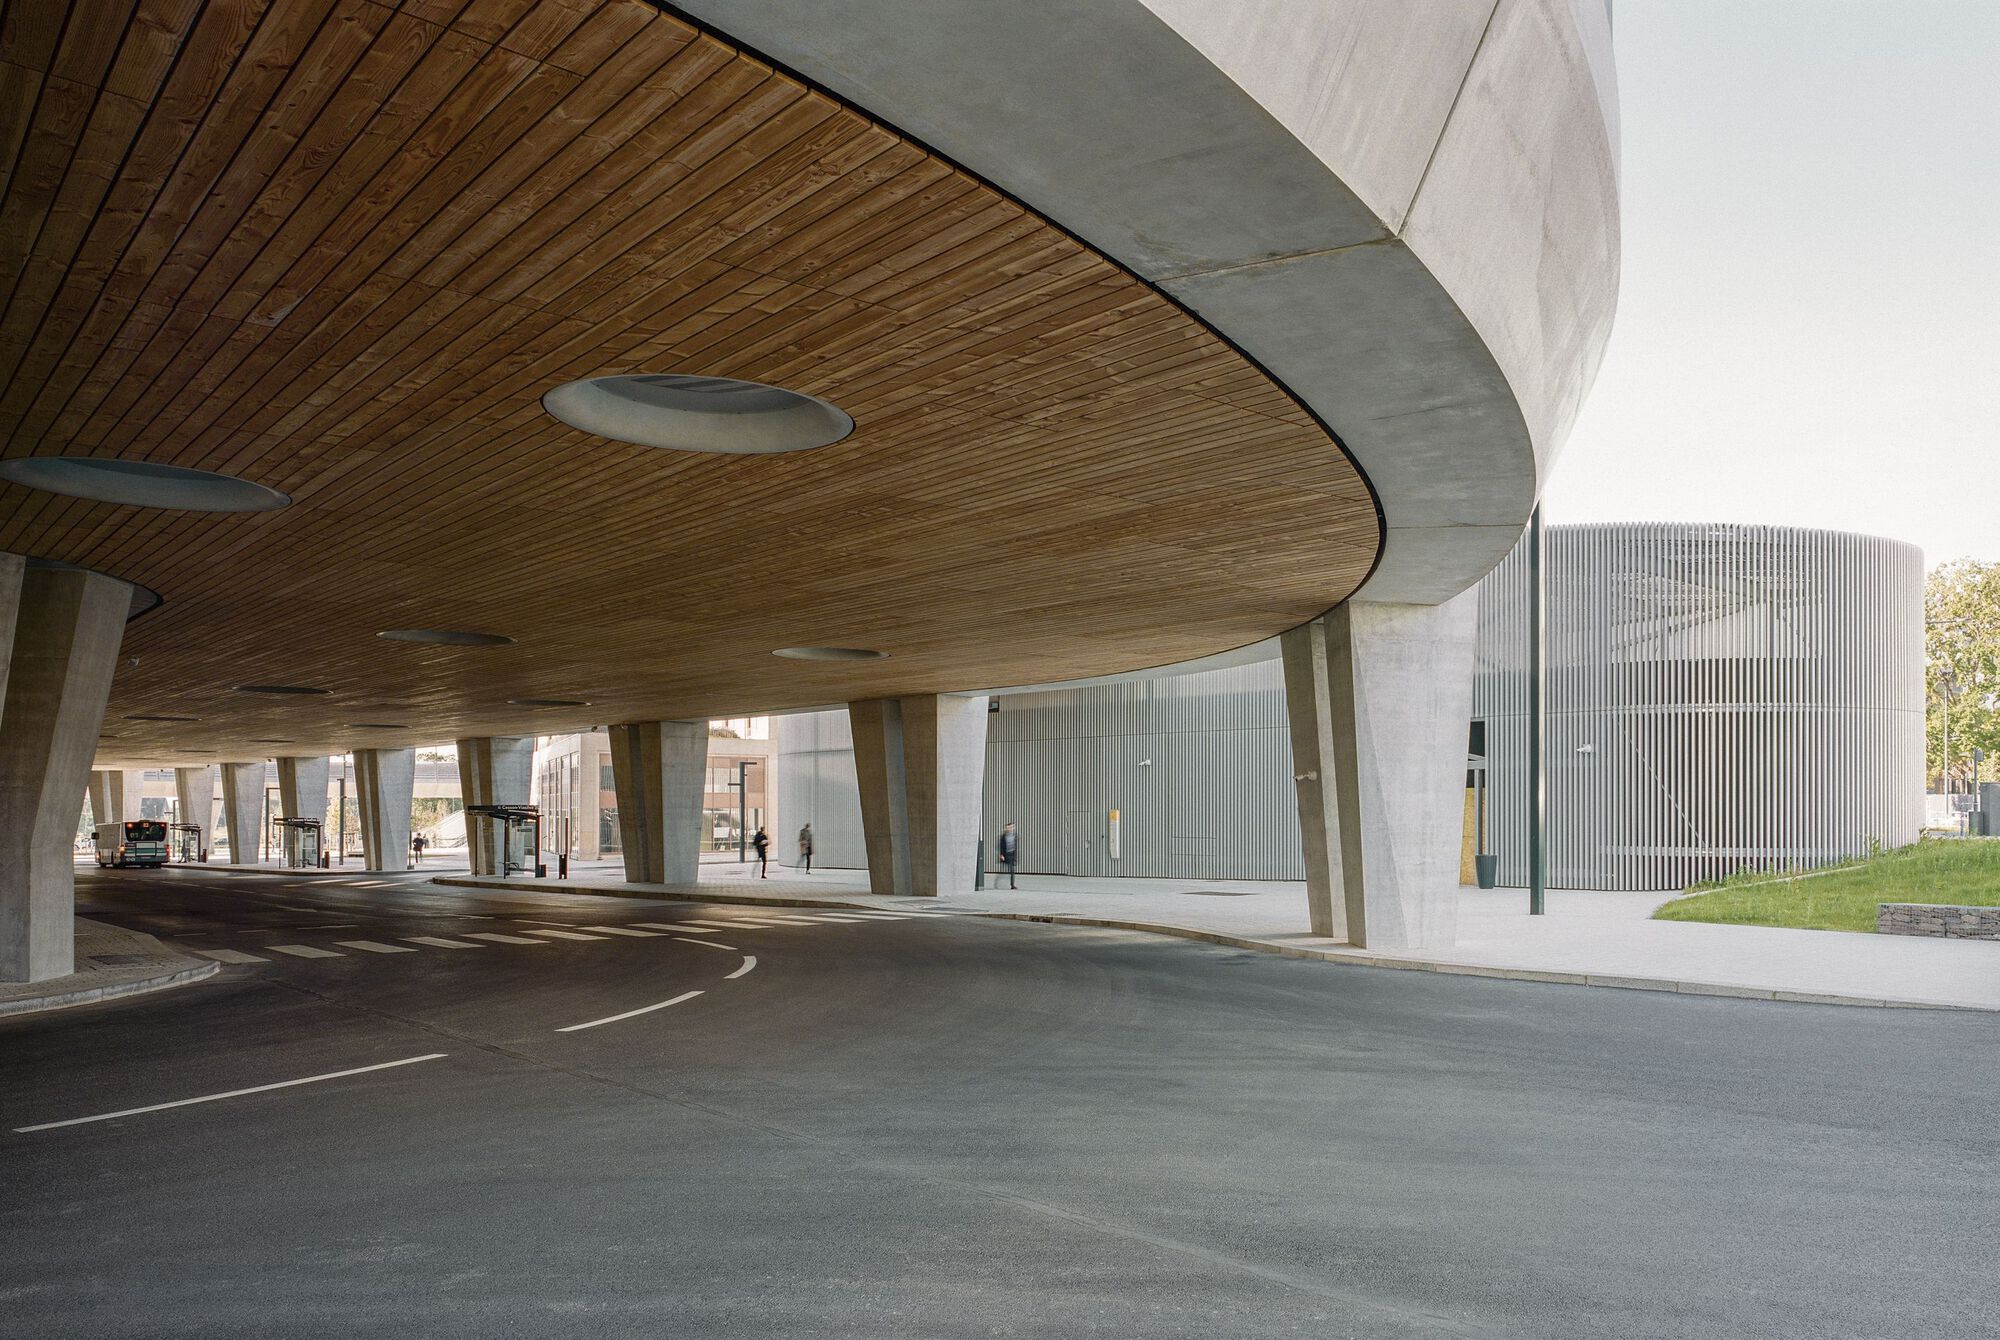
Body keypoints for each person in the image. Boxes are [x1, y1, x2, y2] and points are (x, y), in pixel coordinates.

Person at [996, 822, 1019, 889]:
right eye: (1009, 827)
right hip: (1005, 855)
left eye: (1012, 827)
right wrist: (1001, 855)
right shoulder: (1003, 836)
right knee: (1003, 871)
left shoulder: (1015, 836)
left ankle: (1012, 885)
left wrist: (1015, 857)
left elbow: (1015, 847)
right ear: (1006, 828)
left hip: (1011, 855)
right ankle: (998, 881)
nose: (1011, 828)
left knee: (1012, 871)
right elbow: (1001, 846)